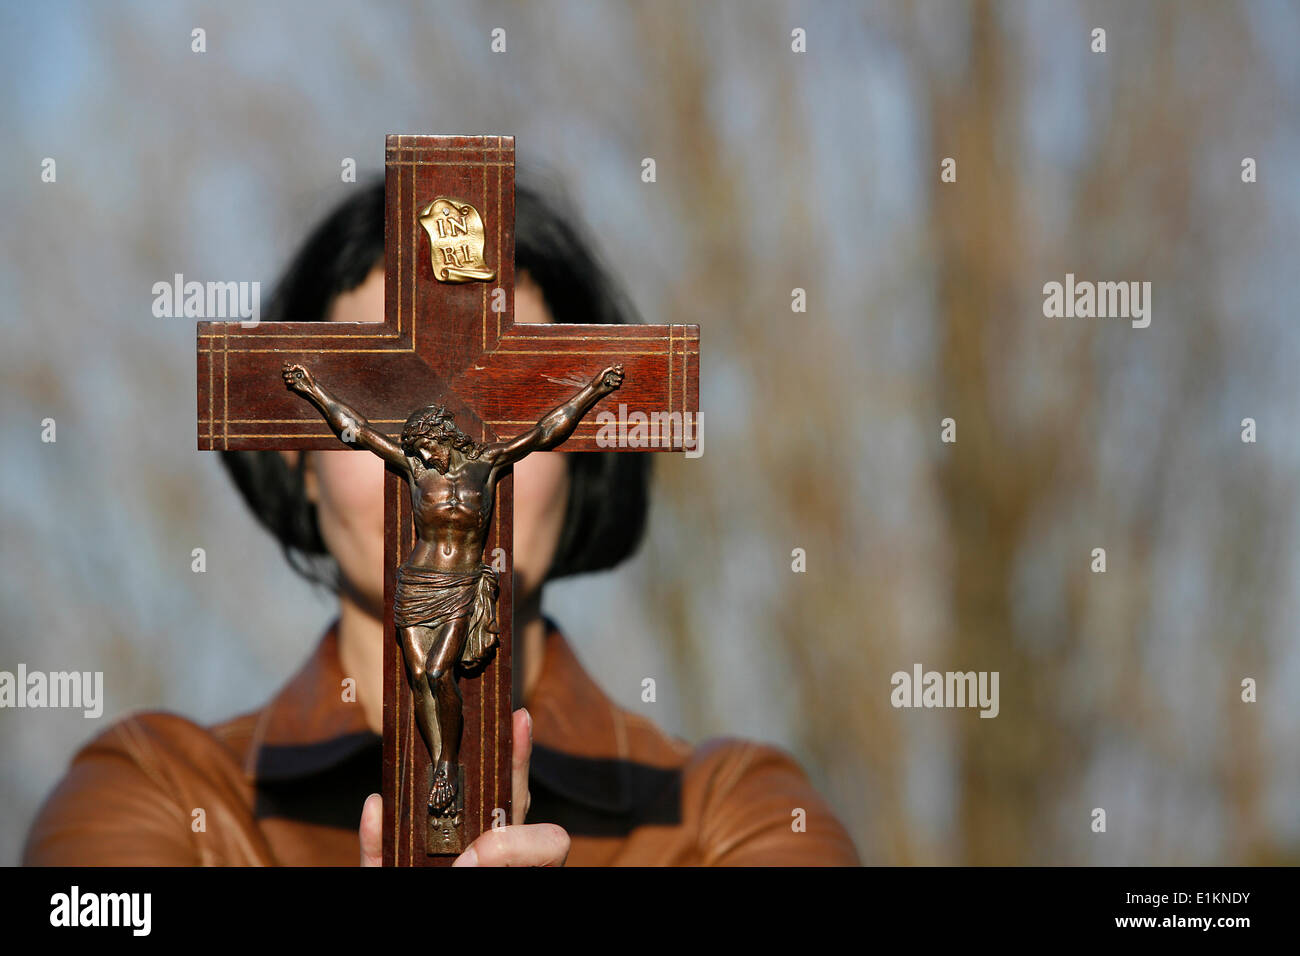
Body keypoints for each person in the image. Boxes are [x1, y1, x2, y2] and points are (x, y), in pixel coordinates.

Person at [23, 178, 860, 866]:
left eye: (502, 396)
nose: (452, 419)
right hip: (425, 598)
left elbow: (549, 421)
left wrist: (595, 389)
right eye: (386, 386)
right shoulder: (166, 796)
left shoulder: (727, 815)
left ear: (586, 461)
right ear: (294, 460)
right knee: (432, 686)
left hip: (477, 602)